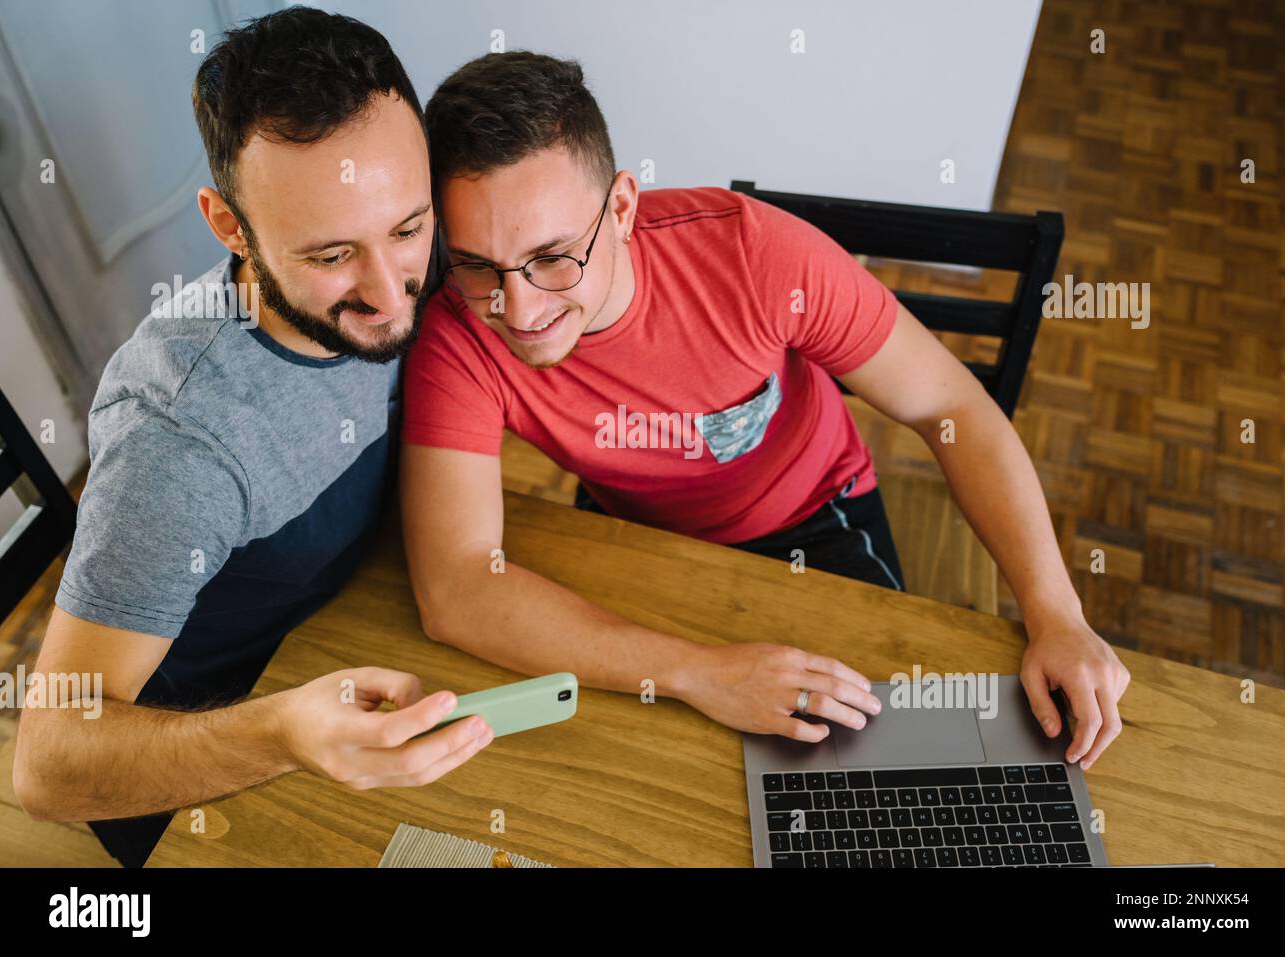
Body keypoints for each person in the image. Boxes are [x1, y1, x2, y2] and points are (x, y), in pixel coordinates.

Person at [400, 52, 1129, 761]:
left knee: (872, 755)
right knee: (621, 770)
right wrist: (696, 671)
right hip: (636, 531)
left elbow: (953, 406)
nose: (518, 308)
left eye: (554, 256)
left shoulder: (755, 254)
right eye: (476, 265)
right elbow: (456, 588)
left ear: (621, 208)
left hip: (814, 519)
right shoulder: (457, 327)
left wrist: (1057, 613)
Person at [13, 7, 491, 869]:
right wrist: (281, 732)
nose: (391, 294)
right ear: (230, 227)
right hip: (213, 778)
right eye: (331, 255)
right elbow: (49, 763)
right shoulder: (177, 439)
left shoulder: (403, 226)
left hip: (360, 632)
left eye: (409, 229)